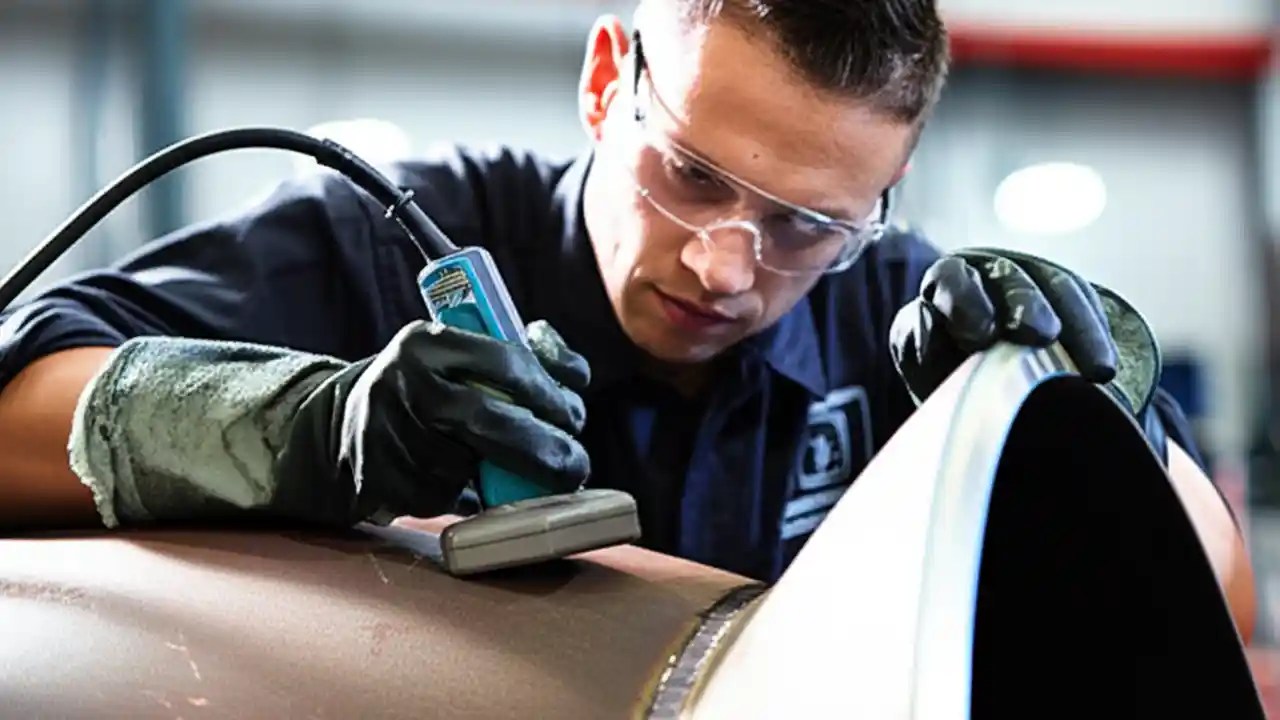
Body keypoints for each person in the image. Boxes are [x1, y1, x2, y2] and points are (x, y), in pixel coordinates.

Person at [0, 0, 1229, 586]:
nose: (724, 267)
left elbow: (1215, 601)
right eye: (690, 174)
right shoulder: (389, 244)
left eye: (806, 224)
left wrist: (1081, 424)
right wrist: (310, 431)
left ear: (884, 193)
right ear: (605, 83)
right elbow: (13, 407)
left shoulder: (910, 326)